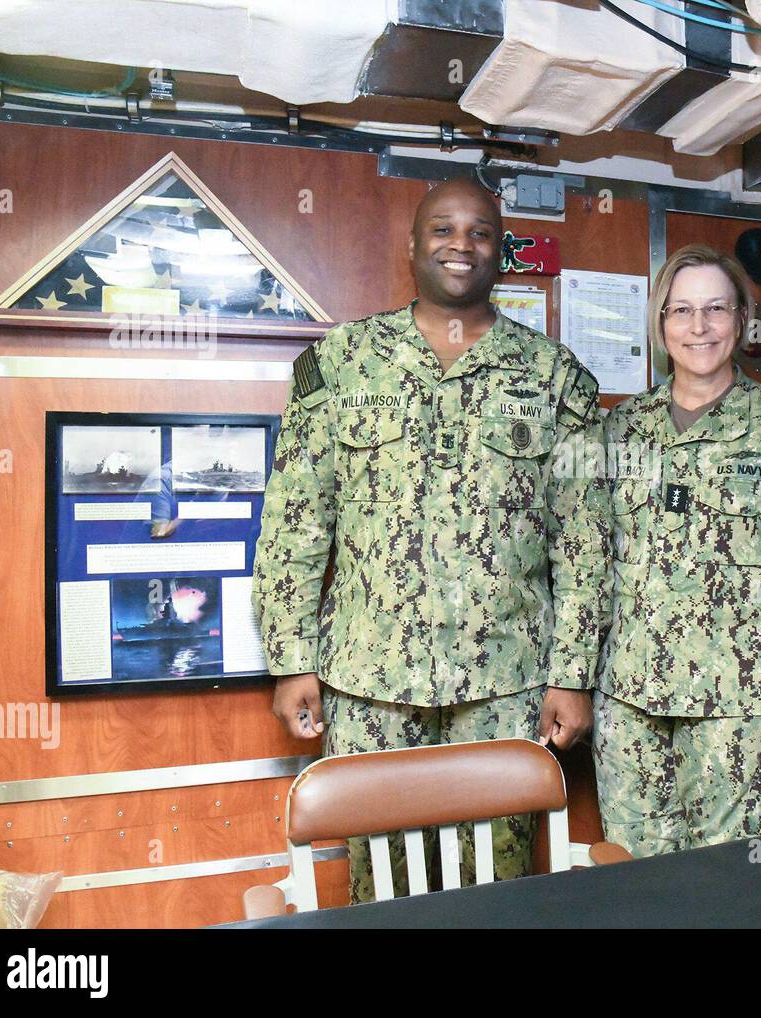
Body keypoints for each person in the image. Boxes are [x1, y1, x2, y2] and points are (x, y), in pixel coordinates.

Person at [252, 177, 610, 900]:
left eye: (479, 232)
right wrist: (292, 660)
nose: (460, 245)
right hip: (369, 681)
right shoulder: (342, 361)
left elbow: (585, 542)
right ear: (413, 245)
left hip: (504, 686)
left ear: (500, 252)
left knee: (499, 892)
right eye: (442, 229)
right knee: (380, 892)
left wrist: (571, 674)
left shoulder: (555, 378)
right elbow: (295, 521)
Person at [593, 243, 761, 857]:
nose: (699, 326)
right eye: (681, 310)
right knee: (637, 895)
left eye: (716, 308)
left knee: (742, 898)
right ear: (660, 324)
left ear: (743, 320)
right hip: (631, 713)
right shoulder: (617, 433)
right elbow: (587, 567)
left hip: (745, 718)